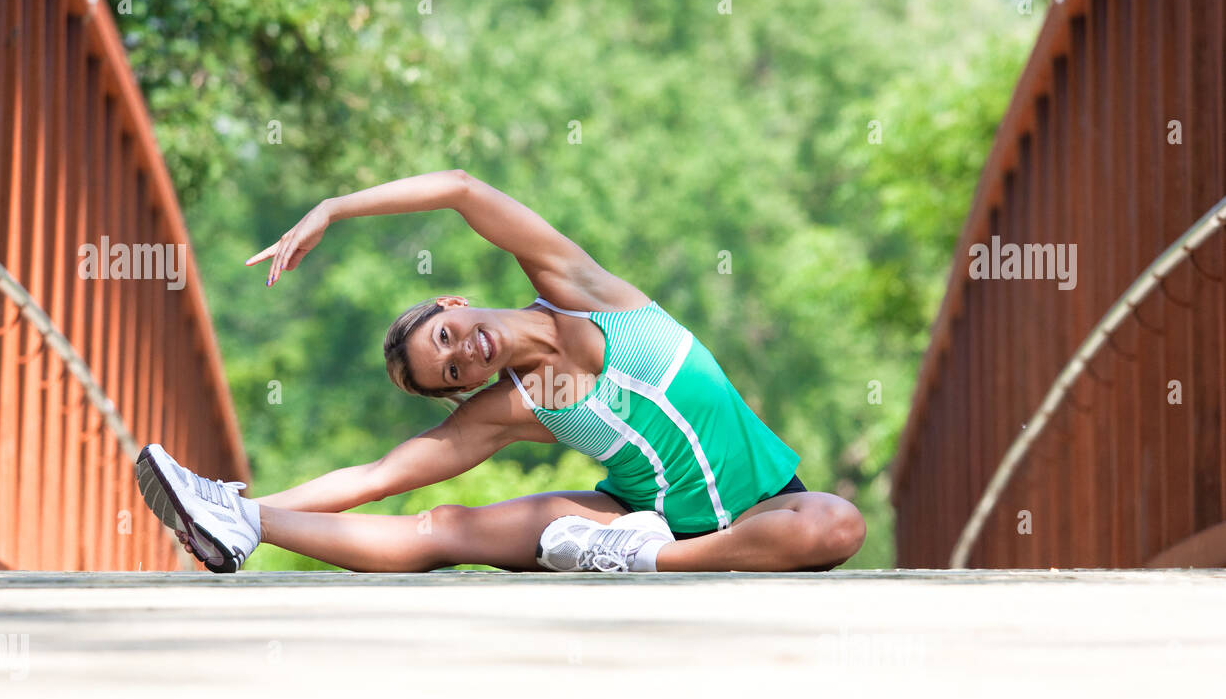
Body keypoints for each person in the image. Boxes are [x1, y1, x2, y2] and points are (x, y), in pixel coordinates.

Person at [134, 170, 866, 574]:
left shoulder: (582, 290)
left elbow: (460, 188)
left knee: (834, 524)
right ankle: (238, 519)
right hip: (627, 522)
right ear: (464, 389)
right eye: (450, 368)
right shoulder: (514, 408)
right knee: (440, 527)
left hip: (756, 513)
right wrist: (249, 510)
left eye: (448, 333)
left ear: (454, 301)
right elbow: (375, 478)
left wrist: (334, 205)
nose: (465, 351)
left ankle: (650, 563)